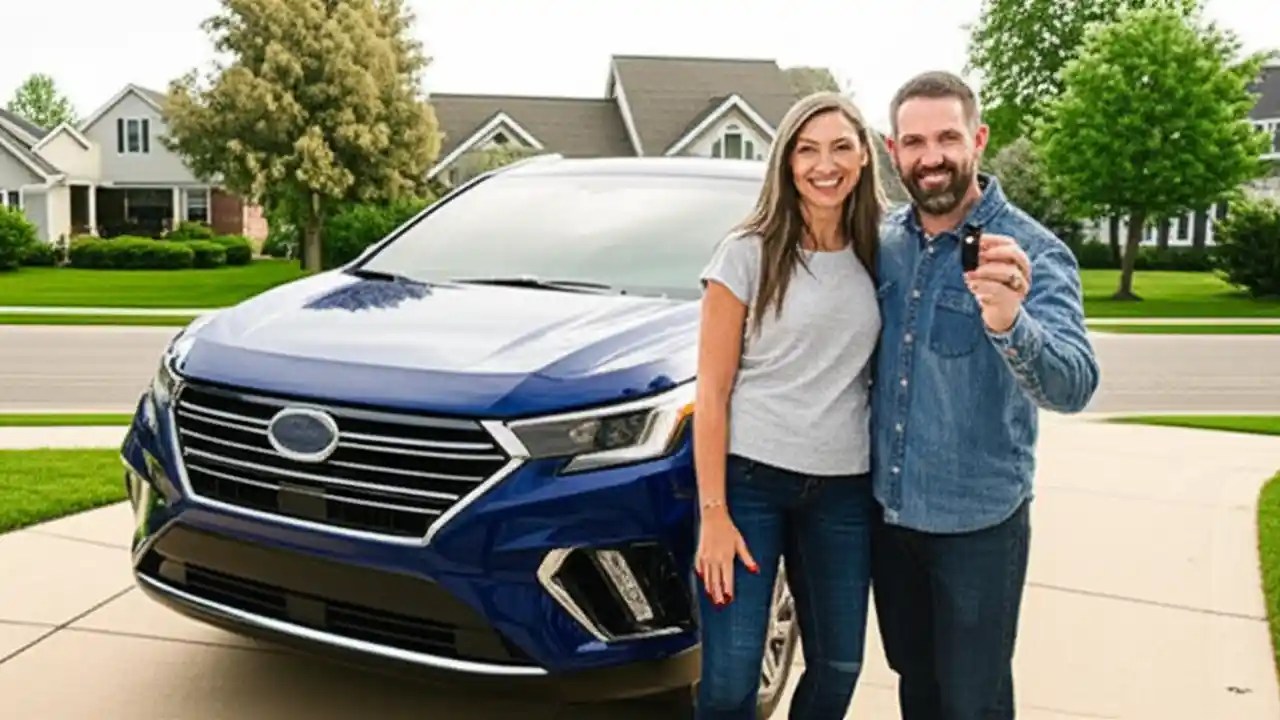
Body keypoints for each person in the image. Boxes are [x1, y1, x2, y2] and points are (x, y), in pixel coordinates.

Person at [870, 70, 1101, 719]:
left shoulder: (1031, 249)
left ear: (979, 138)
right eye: (914, 142)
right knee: (916, 686)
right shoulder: (884, 243)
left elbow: (1075, 383)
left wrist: (1009, 322)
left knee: (975, 701)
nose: (931, 156)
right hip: (891, 520)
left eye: (947, 136)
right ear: (894, 152)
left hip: (979, 527)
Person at [691, 91, 887, 719]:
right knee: (730, 682)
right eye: (806, 149)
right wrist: (714, 515)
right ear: (785, 162)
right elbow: (712, 393)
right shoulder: (745, 254)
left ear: (862, 157)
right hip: (750, 485)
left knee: (838, 671)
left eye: (839, 147)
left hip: (844, 492)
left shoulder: (881, 252)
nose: (822, 165)